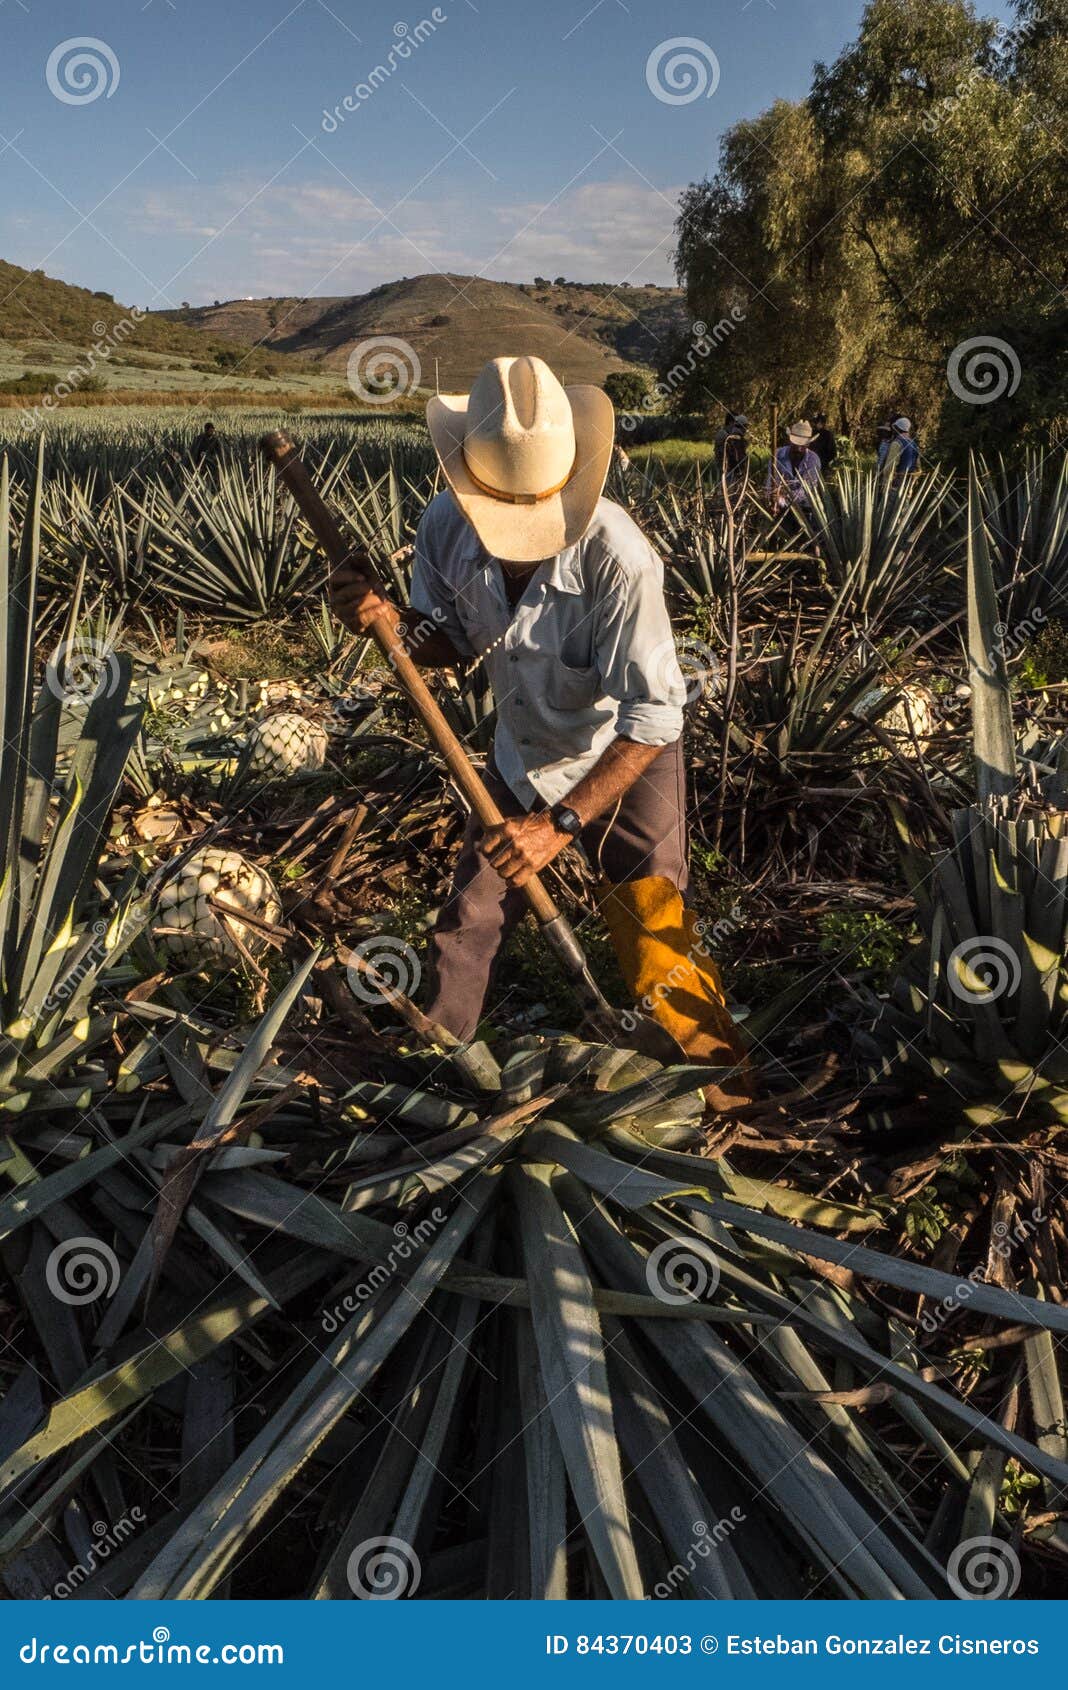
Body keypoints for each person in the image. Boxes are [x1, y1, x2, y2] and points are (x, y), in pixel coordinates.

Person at [330, 354, 749, 1098]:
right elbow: (451, 641)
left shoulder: (618, 559)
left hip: (622, 750)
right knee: (470, 913)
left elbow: (654, 714)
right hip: (522, 751)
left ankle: (719, 1087)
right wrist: (388, 624)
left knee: (652, 919)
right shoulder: (446, 525)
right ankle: (438, 1069)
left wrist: (558, 826)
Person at [764, 420, 822, 514]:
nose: (799, 449)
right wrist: (772, 498)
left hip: (804, 509)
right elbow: (771, 481)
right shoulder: (778, 455)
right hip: (778, 508)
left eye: (803, 445)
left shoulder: (813, 460)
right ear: (789, 441)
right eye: (796, 444)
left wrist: (783, 499)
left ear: (808, 444)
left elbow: (806, 490)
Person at [882, 416, 920, 480]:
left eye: (895, 428)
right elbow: (918, 466)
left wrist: (886, 480)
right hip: (909, 482)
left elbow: (890, 467)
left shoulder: (896, 443)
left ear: (898, 428)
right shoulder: (914, 444)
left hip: (896, 483)